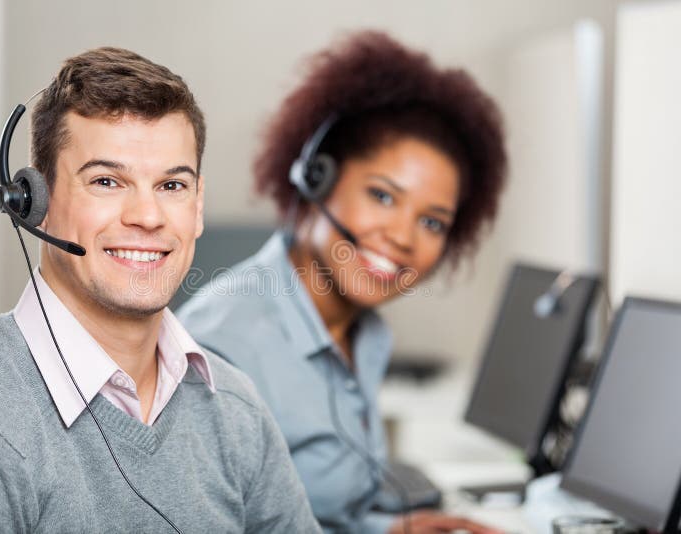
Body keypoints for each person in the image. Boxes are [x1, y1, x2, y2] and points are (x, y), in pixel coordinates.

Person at [0, 47, 319, 533]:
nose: (148, 217)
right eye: (107, 181)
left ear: (197, 208)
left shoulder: (237, 412)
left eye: (172, 186)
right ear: (33, 203)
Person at [177, 31, 507, 534]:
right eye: (382, 196)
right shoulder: (224, 347)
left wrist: (391, 530)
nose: (402, 236)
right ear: (315, 179)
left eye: (433, 222)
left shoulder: (364, 335)